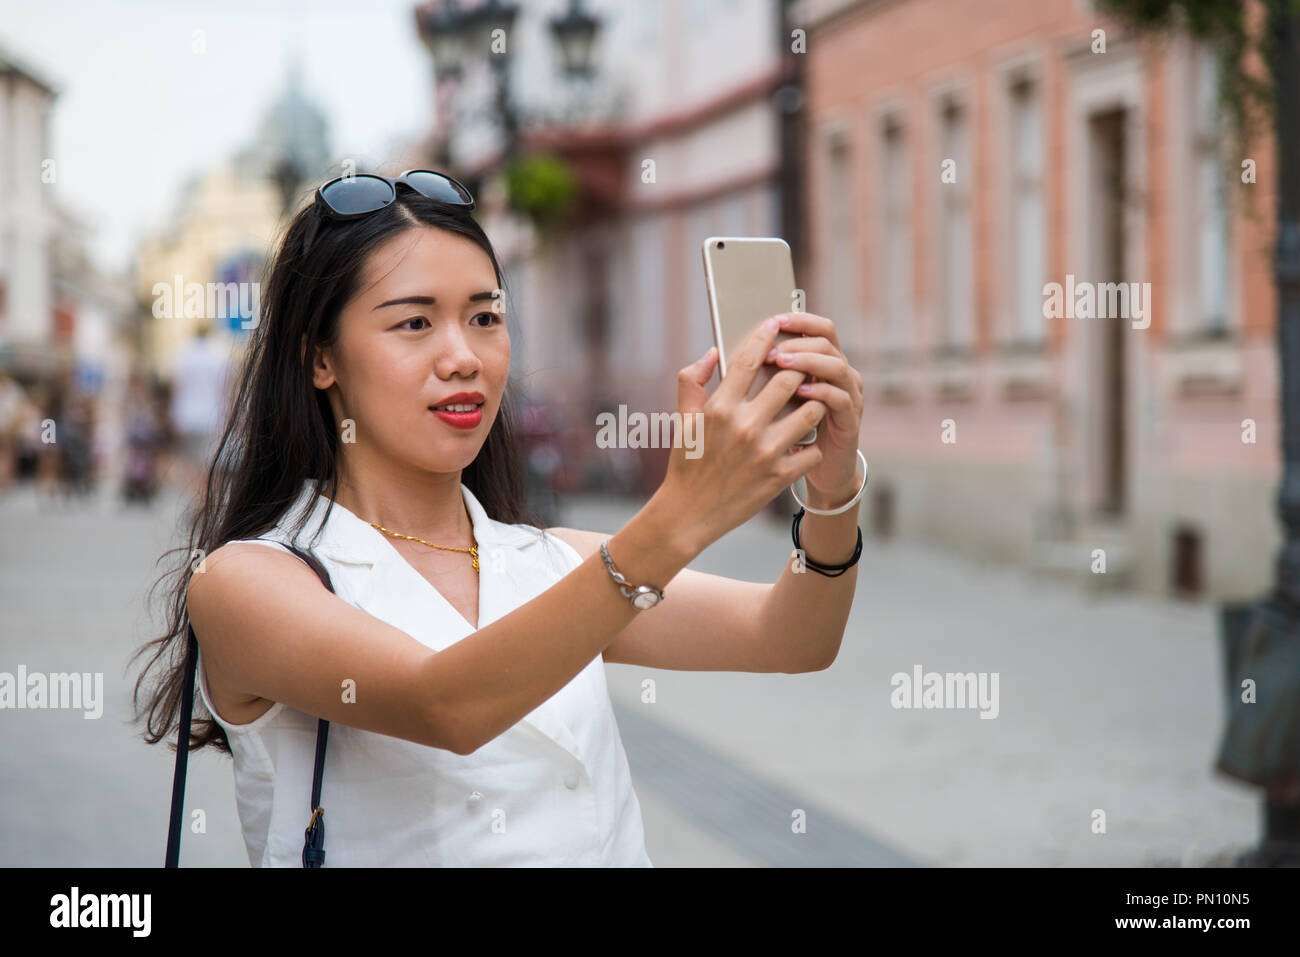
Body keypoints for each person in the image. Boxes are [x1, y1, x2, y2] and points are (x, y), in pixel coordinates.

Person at [130, 169, 866, 867]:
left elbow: (793, 635)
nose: (464, 357)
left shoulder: (545, 559)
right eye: (414, 323)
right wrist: (678, 516)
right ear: (320, 358)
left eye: (485, 317)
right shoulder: (247, 580)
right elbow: (447, 703)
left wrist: (832, 489)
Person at [168, 320, 231, 495]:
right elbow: (224, 390)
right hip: (212, 416)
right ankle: (203, 496)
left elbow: (178, 387)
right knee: (208, 460)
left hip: (187, 415)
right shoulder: (218, 356)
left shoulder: (184, 355)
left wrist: (174, 414)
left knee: (189, 459)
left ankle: (194, 496)